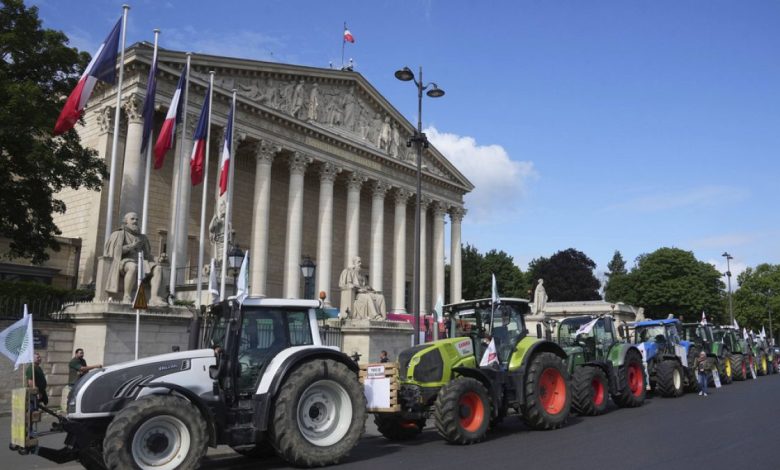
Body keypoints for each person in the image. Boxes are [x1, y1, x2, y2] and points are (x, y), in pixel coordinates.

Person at [104, 212, 167, 306]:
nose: (135, 221)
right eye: (132, 219)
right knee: (133, 267)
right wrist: (132, 246)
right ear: (125, 221)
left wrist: (159, 259)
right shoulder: (119, 234)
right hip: (125, 261)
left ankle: (154, 297)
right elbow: (115, 252)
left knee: (158, 268)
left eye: (137, 219)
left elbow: (147, 255)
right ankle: (127, 296)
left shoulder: (143, 237)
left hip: (142, 261)